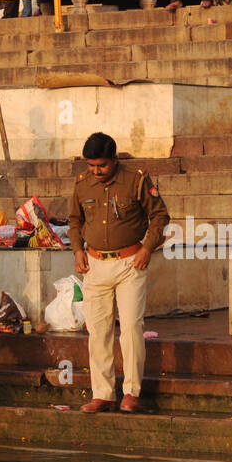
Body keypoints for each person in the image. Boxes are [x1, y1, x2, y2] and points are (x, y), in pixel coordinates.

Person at [67, 132, 170, 413]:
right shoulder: (82, 184)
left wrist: (148, 248)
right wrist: (77, 250)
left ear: (114, 159)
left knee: (131, 329)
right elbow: (74, 220)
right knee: (98, 331)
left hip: (130, 263)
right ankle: (102, 393)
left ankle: (132, 392)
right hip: (94, 264)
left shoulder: (136, 180)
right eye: (91, 166)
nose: (96, 171)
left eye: (101, 165)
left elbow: (160, 216)